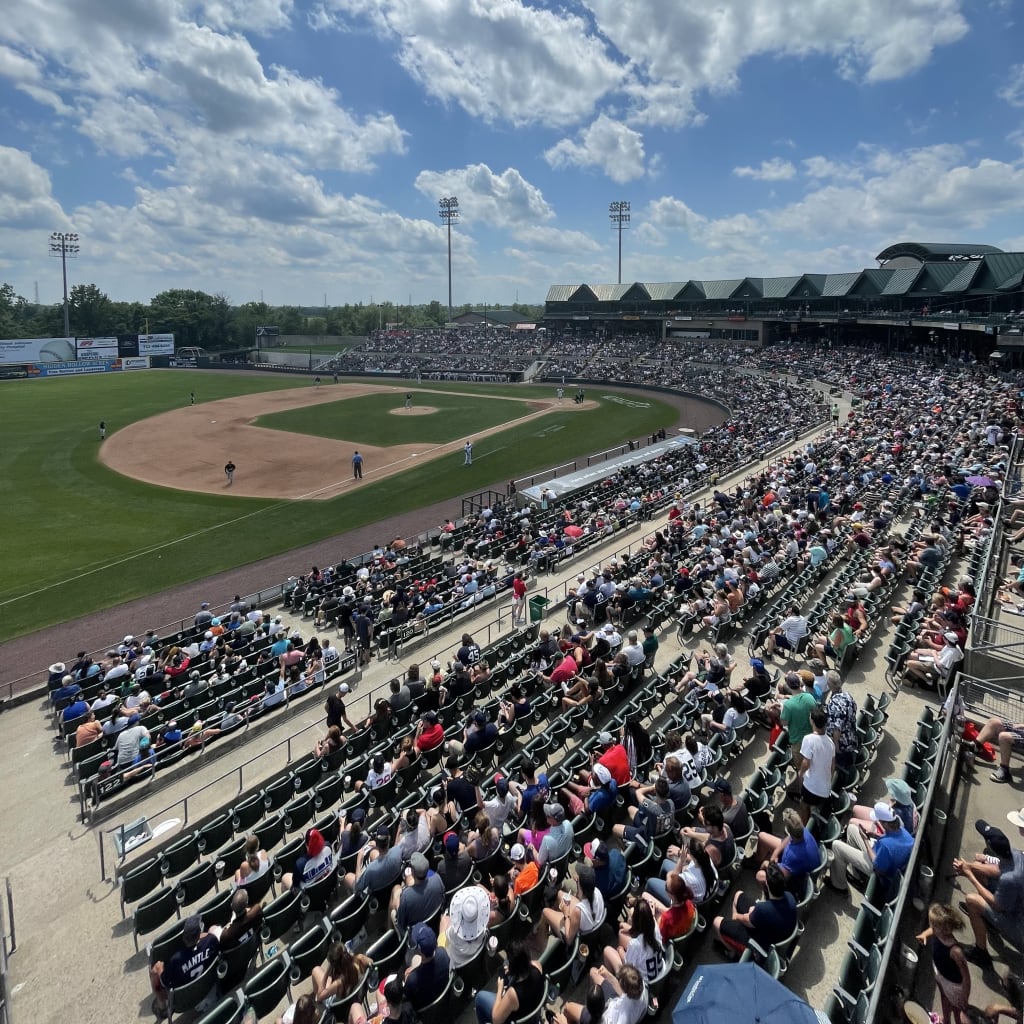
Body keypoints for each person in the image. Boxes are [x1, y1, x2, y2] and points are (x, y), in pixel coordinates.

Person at [828, 801, 914, 898]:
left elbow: (877, 865)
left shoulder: (885, 845)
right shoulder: (902, 830)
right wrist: (875, 835)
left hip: (880, 873)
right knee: (852, 828)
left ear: (886, 823)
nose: (878, 822)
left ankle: (840, 887)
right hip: (885, 858)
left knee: (836, 846)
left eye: (880, 821)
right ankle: (856, 875)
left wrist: (865, 839)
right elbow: (891, 841)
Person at [713, 863, 797, 957]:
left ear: (767, 884)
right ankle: (734, 930)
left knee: (716, 922)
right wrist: (754, 912)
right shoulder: (790, 896)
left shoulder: (762, 909)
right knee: (738, 895)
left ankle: (733, 952)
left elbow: (746, 920)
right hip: (777, 933)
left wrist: (736, 916)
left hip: (762, 944)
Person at [149, 914, 219, 1014]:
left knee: (155, 969)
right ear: (199, 934)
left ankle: (163, 1008)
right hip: (209, 987)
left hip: (188, 1001)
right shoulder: (211, 941)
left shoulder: (176, 960)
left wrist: (160, 968)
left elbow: (164, 983)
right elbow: (208, 936)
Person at [915, 903, 972, 1024]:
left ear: (946, 928)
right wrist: (925, 934)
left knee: (957, 1010)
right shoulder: (938, 932)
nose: (931, 926)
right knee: (944, 997)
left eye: (934, 924)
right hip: (941, 974)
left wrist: (964, 996)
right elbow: (932, 930)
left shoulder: (955, 951)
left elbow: (966, 976)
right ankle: (946, 1020)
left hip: (954, 985)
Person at [604, 897, 665, 985]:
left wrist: (620, 951)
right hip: (660, 972)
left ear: (635, 921)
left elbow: (629, 968)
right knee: (622, 931)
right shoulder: (655, 927)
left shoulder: (635, 945)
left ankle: (615, 984)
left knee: (608, 950)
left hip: (644, 983)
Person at [566, 964, 646, 1024]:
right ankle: (593, 1002)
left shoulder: (624, 1019)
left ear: (625, 990)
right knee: (593, 972)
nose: (618, 981)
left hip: (603, 1018)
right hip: (614, 1002)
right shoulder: (640, 985)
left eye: (620, 981)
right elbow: (622, 995)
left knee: (567, 1007)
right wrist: (608, 975)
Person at [403, 924, 451, 1012]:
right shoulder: (443, 953)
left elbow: (407, 1000)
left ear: (420, 951)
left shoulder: (412, 980)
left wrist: (407, 978)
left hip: (423, 1010)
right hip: (442, 997)